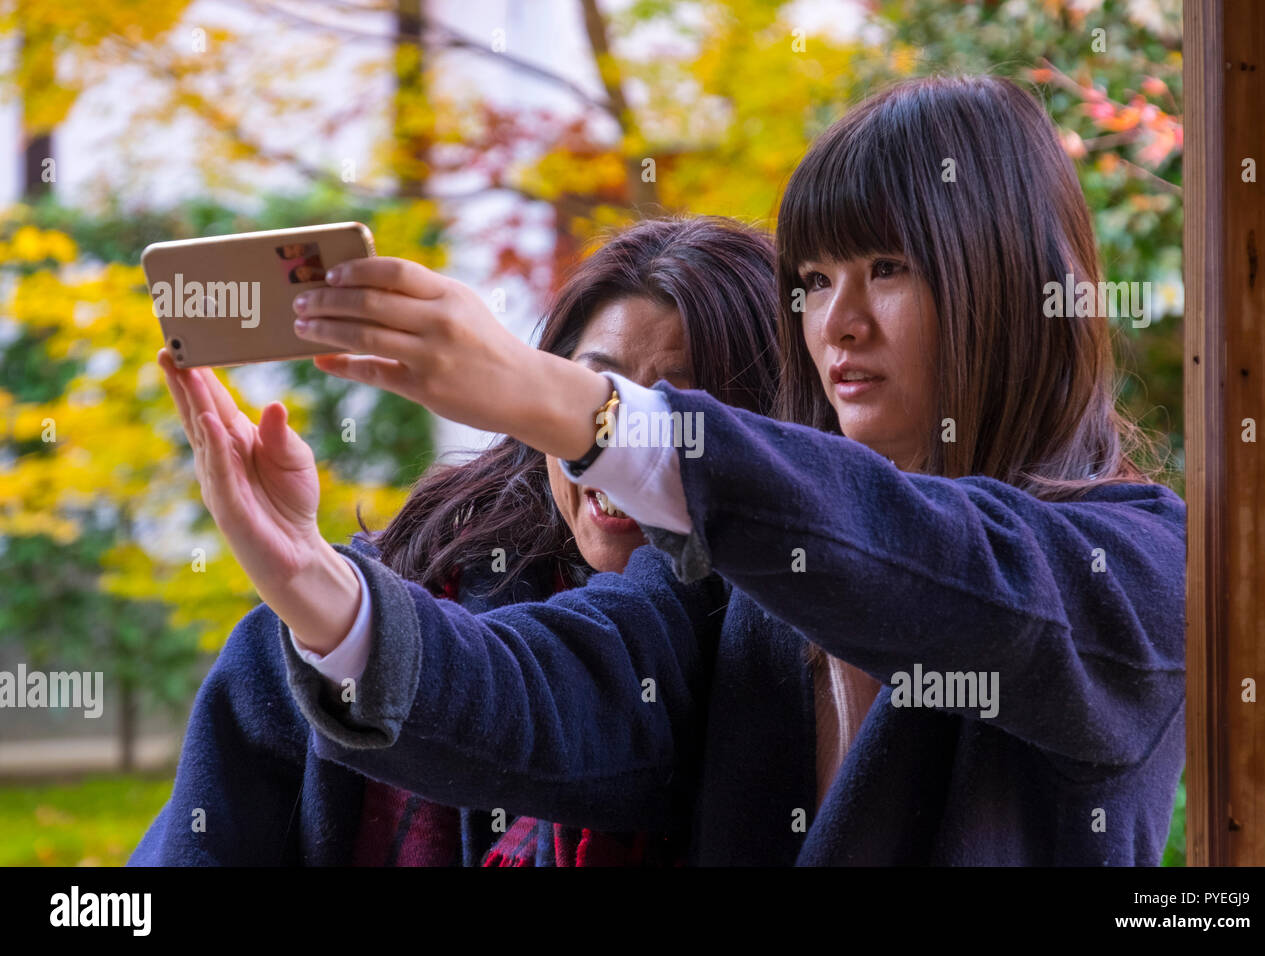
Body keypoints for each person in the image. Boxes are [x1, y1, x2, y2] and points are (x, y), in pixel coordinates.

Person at [172, 75, 1186, 864]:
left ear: (1005, 283)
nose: (838, 322)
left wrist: (547, 394)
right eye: (815, 279)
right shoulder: (740, 596)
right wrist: (309, 581)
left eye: (889, 268)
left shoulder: (1127, 564)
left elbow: (926, 557)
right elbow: (544, 693)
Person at [129, 216, 779, 865]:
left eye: (666, 419)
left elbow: (538, 694)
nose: (609, 459)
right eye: (595, 395)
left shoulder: (773, 646)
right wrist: (308, 581)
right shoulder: (324, 634)